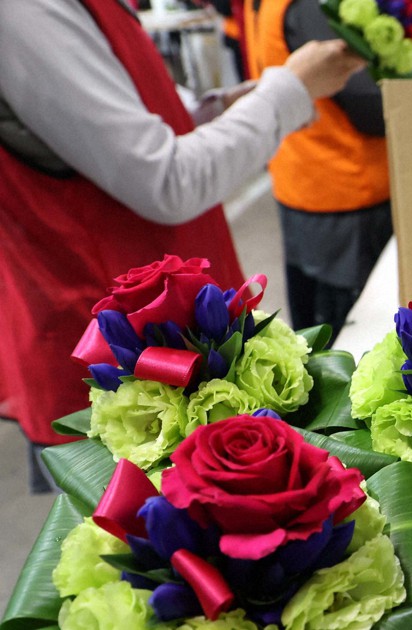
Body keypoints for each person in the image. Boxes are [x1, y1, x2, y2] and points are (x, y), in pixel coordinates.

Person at [0, 0, 365, 488]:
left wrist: (236, 102)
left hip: (167, 330)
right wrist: (286, 92)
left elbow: (135, 119)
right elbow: (165, 179)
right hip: (116, 350)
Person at [245, 0, 412, 340]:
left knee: (324, 329)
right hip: (343, 197)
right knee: (351, 337)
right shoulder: (310, 7)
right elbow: (370, 102)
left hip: (316, 187)